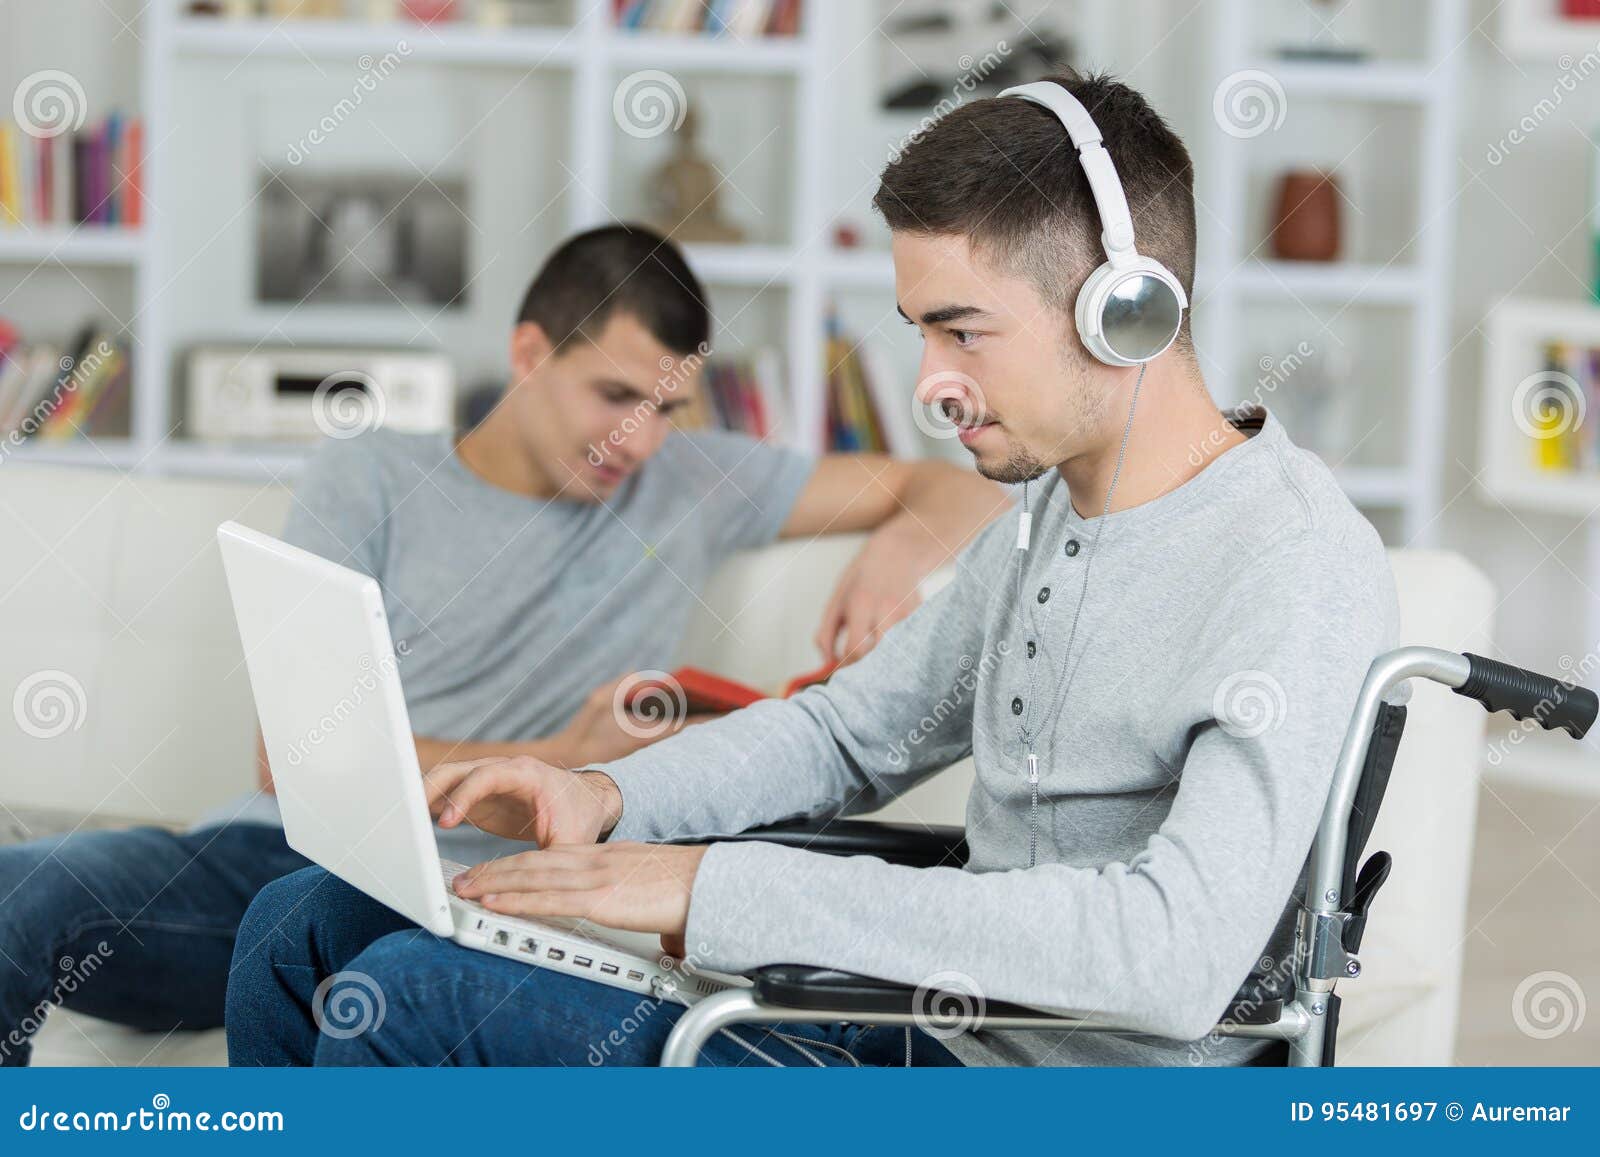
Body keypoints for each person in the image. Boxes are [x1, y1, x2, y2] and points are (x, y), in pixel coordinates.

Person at [227, 72, 1399, 1069]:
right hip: (920, 1022)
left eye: (962, 330)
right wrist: (611, 796)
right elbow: (848, 735)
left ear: (1122, 310)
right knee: (304, 924)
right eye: (919, 332)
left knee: (418, 999)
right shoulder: (1054, 512)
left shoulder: (1289, 562)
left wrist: (710, 892)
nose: (931, 384)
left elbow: (1172, 953)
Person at [0, 224, 1004, 1066]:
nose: (640, 439)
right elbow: (293, 756)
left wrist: (898, 550)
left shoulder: (690, 480)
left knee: (366, 976)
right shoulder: (374, 476)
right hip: (291, 852)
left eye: (667, 407)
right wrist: (565, 757)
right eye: (615, 396)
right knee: (32, 888)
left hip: (490, 896)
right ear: (531, 354)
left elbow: (958, 480)